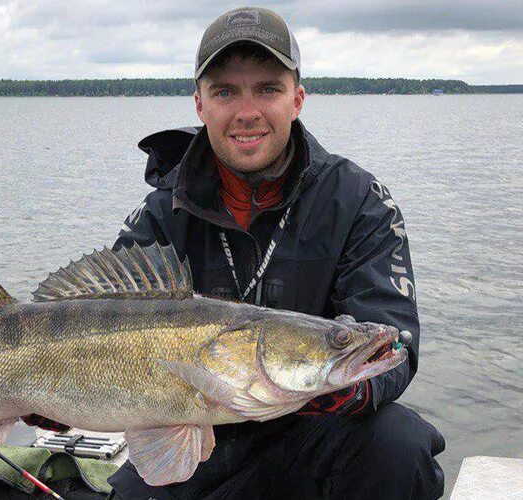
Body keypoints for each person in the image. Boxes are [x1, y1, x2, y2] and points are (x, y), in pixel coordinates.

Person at [106, 6, 446, 500]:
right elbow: (95, 324)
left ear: (298, 99)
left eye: (268, 88)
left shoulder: (357, 201)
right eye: (225, 91)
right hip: (194, 442)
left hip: (311, 437)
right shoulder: (160, 215)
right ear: (199, 104)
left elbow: (392, 338)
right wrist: (44, 390)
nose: (247, 112)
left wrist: (349, 387)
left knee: (398, 445)